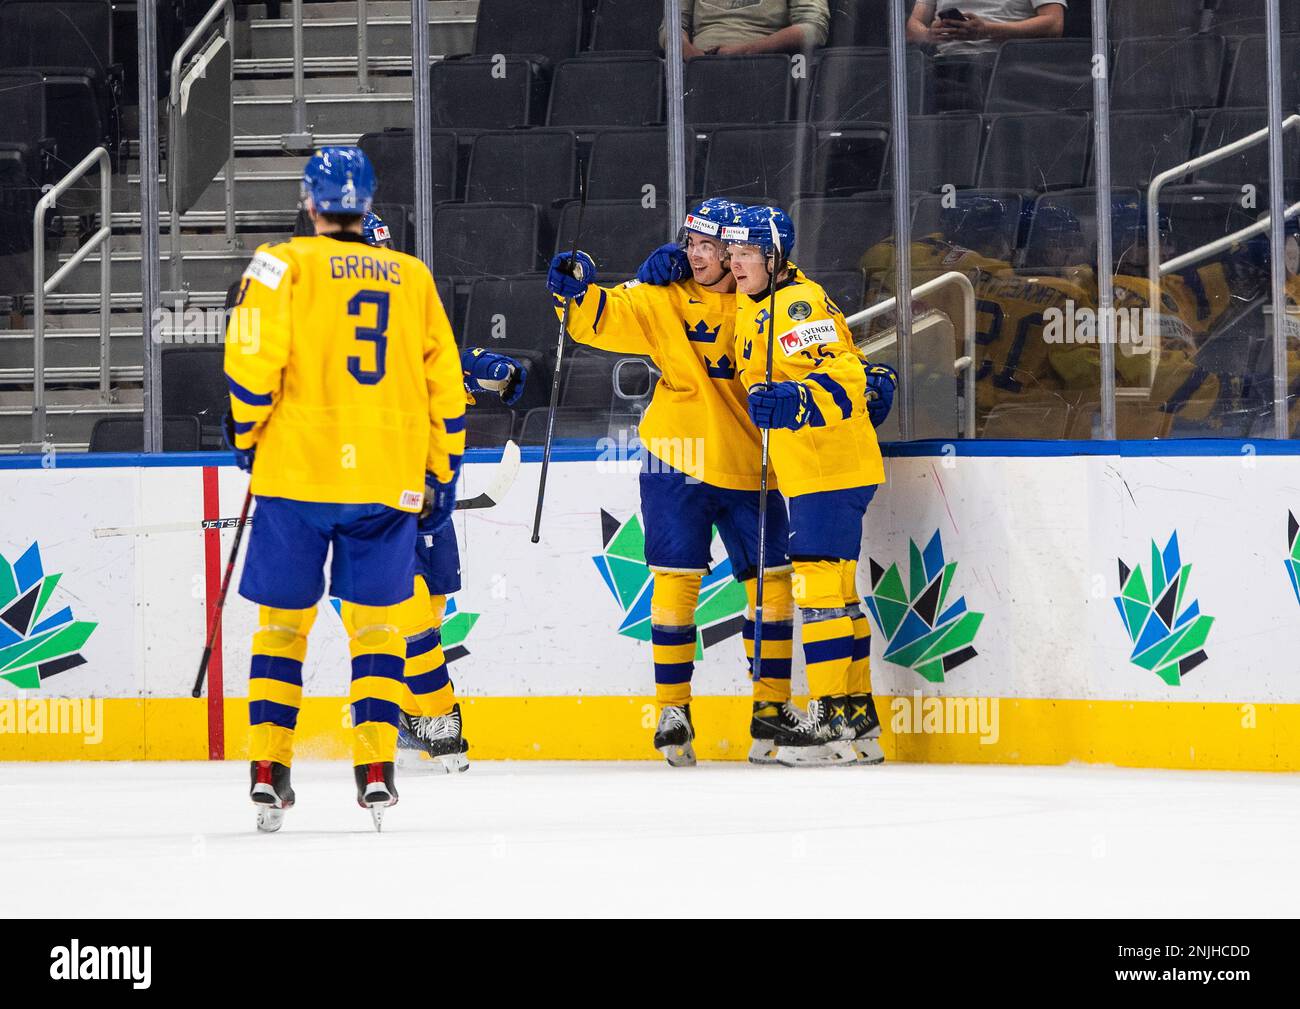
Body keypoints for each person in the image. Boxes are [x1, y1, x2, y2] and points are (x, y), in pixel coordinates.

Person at [223, 148, 465, 831]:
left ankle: (270, 768)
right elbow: (445, 386)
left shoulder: (280, 263)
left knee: (281, 626)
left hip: (296, 474)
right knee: (379, 627)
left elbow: (248, 356)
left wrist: (247, 433)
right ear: (368, 203)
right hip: (387, 480)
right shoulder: (412, 275)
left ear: (310, 201)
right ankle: (377, 769)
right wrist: (442, 470)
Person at [547, 198, 802, 767]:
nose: (699, 256)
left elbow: (798, 294)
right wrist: (574, 287)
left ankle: (771, 709)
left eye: (713, 247)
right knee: (675, 578)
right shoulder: (661, 293)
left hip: (753, 462)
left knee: (772, 582)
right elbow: (598, 318)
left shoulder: (770, 296)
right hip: (675, 457)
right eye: (692, 244)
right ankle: (672, 709)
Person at [726, 204, 896, 765]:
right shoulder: (755, 305)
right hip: (818, 469)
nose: (736, 262)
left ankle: (825, 719)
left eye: (747, 253)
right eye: (733, 252)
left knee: (819, 588)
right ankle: (856, 721)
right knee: (840, 593)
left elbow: (848, 373)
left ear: (774, 257)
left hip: (831, 465)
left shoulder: (796, 304)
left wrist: (800, 399)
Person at [359, 211, 528, 774]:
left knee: (428, 611)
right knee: (404, 617)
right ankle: (440, 718)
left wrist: (493, 371)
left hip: (424, 498)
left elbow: (441, 361)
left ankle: (415, 718)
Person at [906, 2, 1066, 112]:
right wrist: (929, 34)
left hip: (1002, 63)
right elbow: (912, 27)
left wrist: (987, 30)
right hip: (946, 65)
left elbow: (1054, 23)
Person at [662, 0, 829, 58]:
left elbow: (813, 29)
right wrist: (689, 53)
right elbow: (671, 26)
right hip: (697, 66)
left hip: (764, 66)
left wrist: (747, 51)